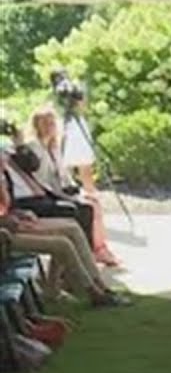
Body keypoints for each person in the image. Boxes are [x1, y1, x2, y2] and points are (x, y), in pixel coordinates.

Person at [1, 148, 130, 308]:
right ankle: (92, 292)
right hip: (6, 235)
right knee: (62, 243)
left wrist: (20, 213)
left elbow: (9, 207)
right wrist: (9, 221)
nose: (4, 159)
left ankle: (96, 284)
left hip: (14, 225)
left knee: (72, 227)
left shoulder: (4, 176)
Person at [26, 106, 120, 266]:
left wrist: (77, 191)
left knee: (93, 202)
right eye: (45, 123)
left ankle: (99, 249)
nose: (50, 126)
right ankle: (89, 253)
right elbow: (42, 179)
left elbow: (64, 176)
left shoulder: (54, 147)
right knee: (85, 208)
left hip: (60, 190)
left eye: (52, 123)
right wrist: (68, 195)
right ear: (37, 126)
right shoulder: (34, 148)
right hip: (46, 194)